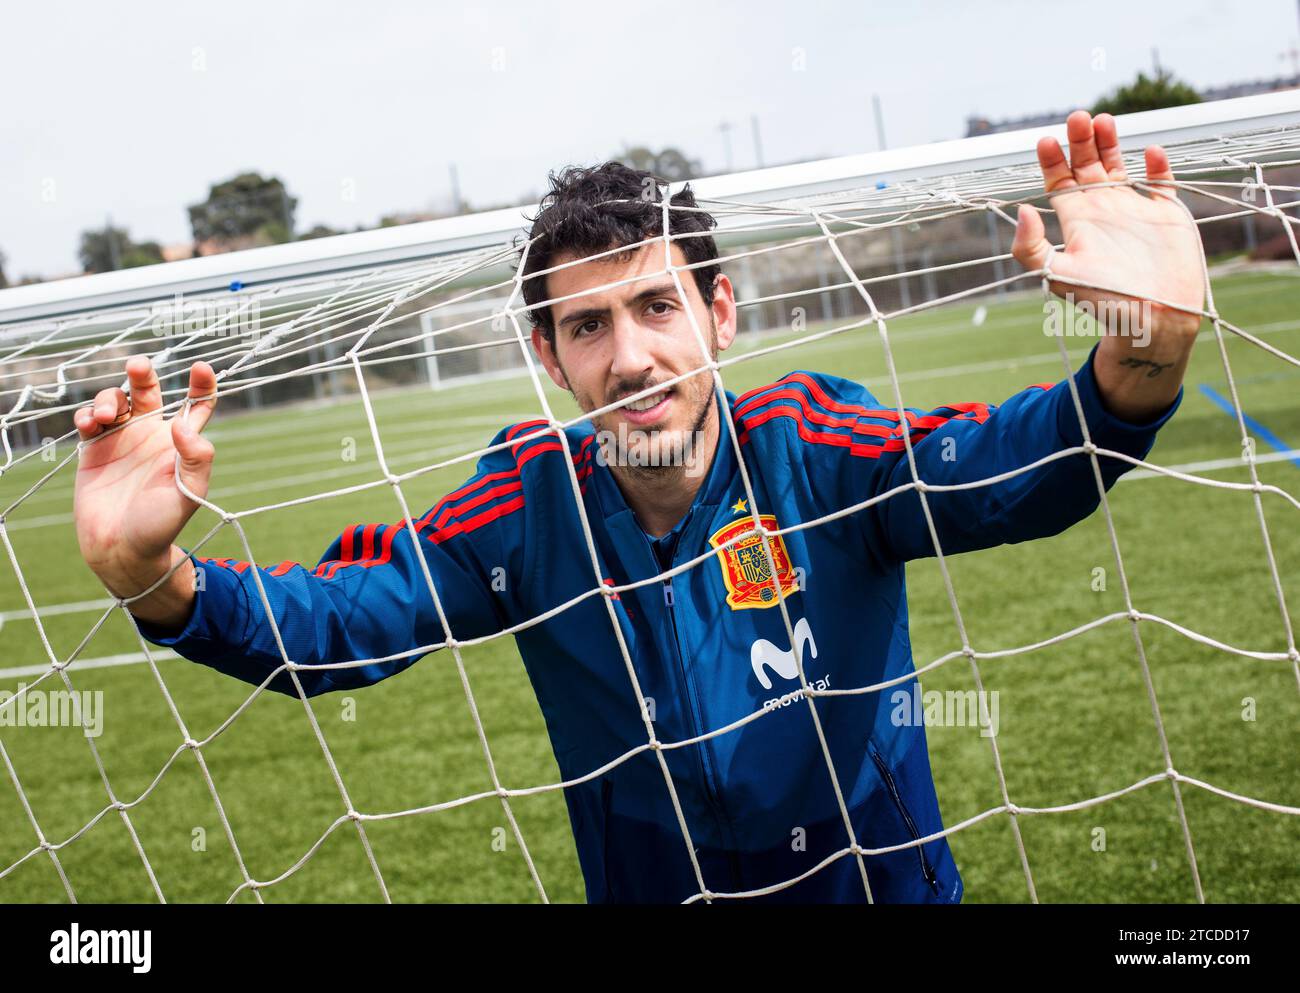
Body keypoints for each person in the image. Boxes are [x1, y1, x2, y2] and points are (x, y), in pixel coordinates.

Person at [73, 111, 1203, 903]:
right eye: (588, 326)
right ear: (550, 358)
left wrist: (1138, 365)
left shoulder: (815, 447)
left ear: (718, 312)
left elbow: (1004, 471)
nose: (631, 358)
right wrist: (155, 579)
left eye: (656, 305)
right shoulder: (523, 509)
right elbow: (343, 618)